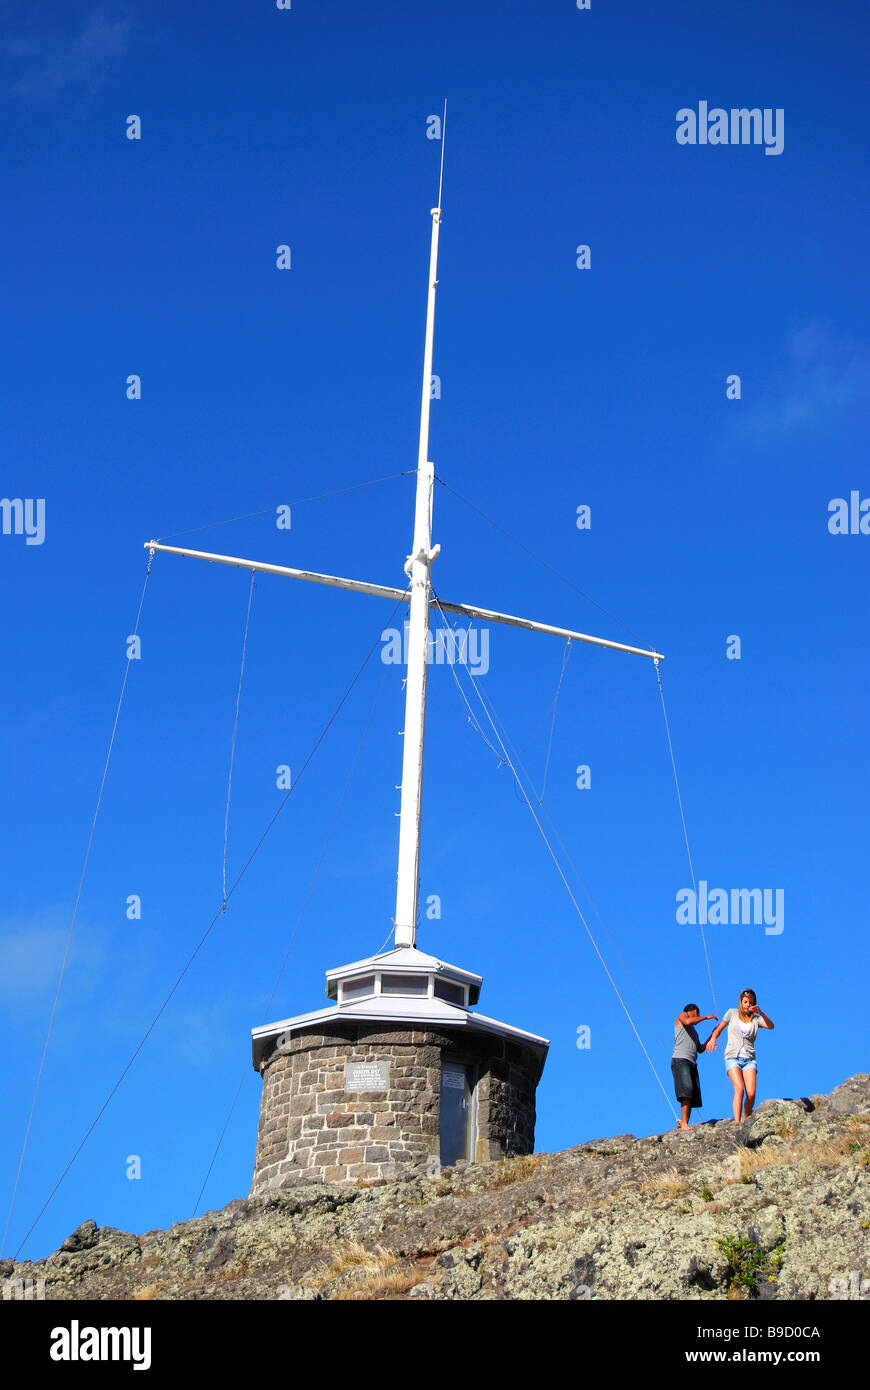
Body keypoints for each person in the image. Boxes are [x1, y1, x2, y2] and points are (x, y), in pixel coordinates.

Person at [705, 988, 774, 1122]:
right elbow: (719, 1029)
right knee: (739, 1088)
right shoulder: (732, 1013)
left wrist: (760, 1012)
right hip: (732, 1057)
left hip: (749, 1059)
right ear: (741, 1002)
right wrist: (713, 1038)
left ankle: (745, 1117)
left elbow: (771, 1026)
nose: (748, 1004)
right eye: (745, 1002)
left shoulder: (756, 1019)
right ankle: (736, 1122)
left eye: (750, 1002)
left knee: (751, 1093)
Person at [671, 1003, 718, 1129]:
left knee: (691, 1095)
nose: (698, 1017)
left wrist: (712, 1035)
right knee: (686, 1091)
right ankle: (685, 1124)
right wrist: (706, 1017)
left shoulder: (694, 1032)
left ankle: (684, 1122)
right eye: (697, 1014)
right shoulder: (682, 1016)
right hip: (681, 1059)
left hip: (692, 1062)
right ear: (691, 1011)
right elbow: (687, 1021)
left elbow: (700, 1049)